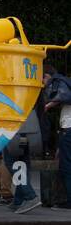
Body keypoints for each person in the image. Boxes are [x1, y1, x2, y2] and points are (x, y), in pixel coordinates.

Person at [43, 66, 71, 207]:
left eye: (44, 79)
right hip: (66, 131)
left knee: (66, 166)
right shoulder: (67, 84)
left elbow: (62, 98)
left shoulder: (60, 83)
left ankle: (69, 201)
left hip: (68, 130)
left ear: (47, 76)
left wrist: (48, 105)